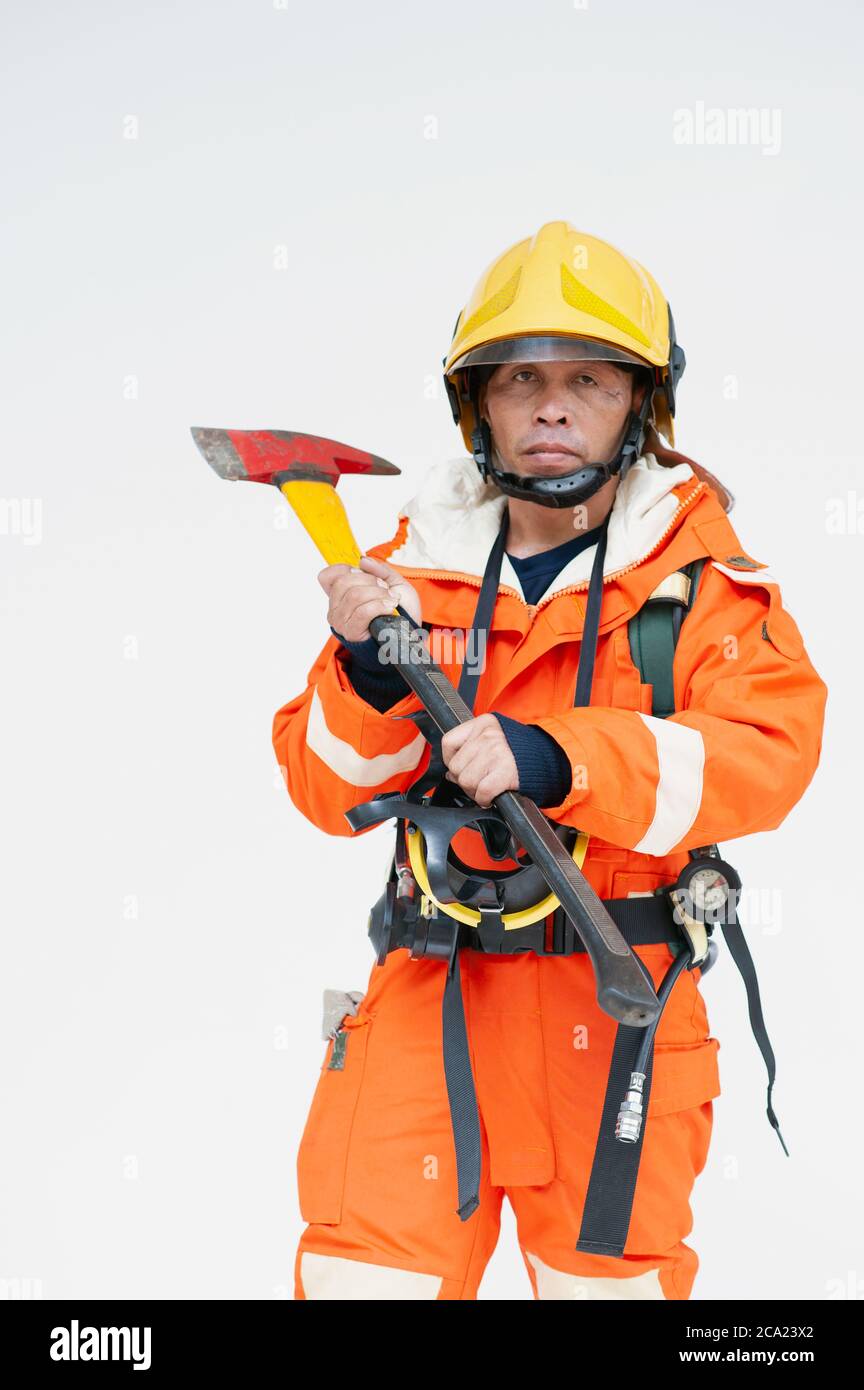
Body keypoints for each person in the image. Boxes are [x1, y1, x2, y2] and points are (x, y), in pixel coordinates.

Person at [272, 221, 827, 1300]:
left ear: (642, 405)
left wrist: (560, 757)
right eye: (520, 378)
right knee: (360, 1282)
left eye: (590, 378)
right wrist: (371, 680)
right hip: (427, 1008)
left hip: (618, 1006)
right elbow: (320, 783)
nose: (554, 405)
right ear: (479, 406)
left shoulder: (703, 588)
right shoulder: (408, 577)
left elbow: (770, 753)